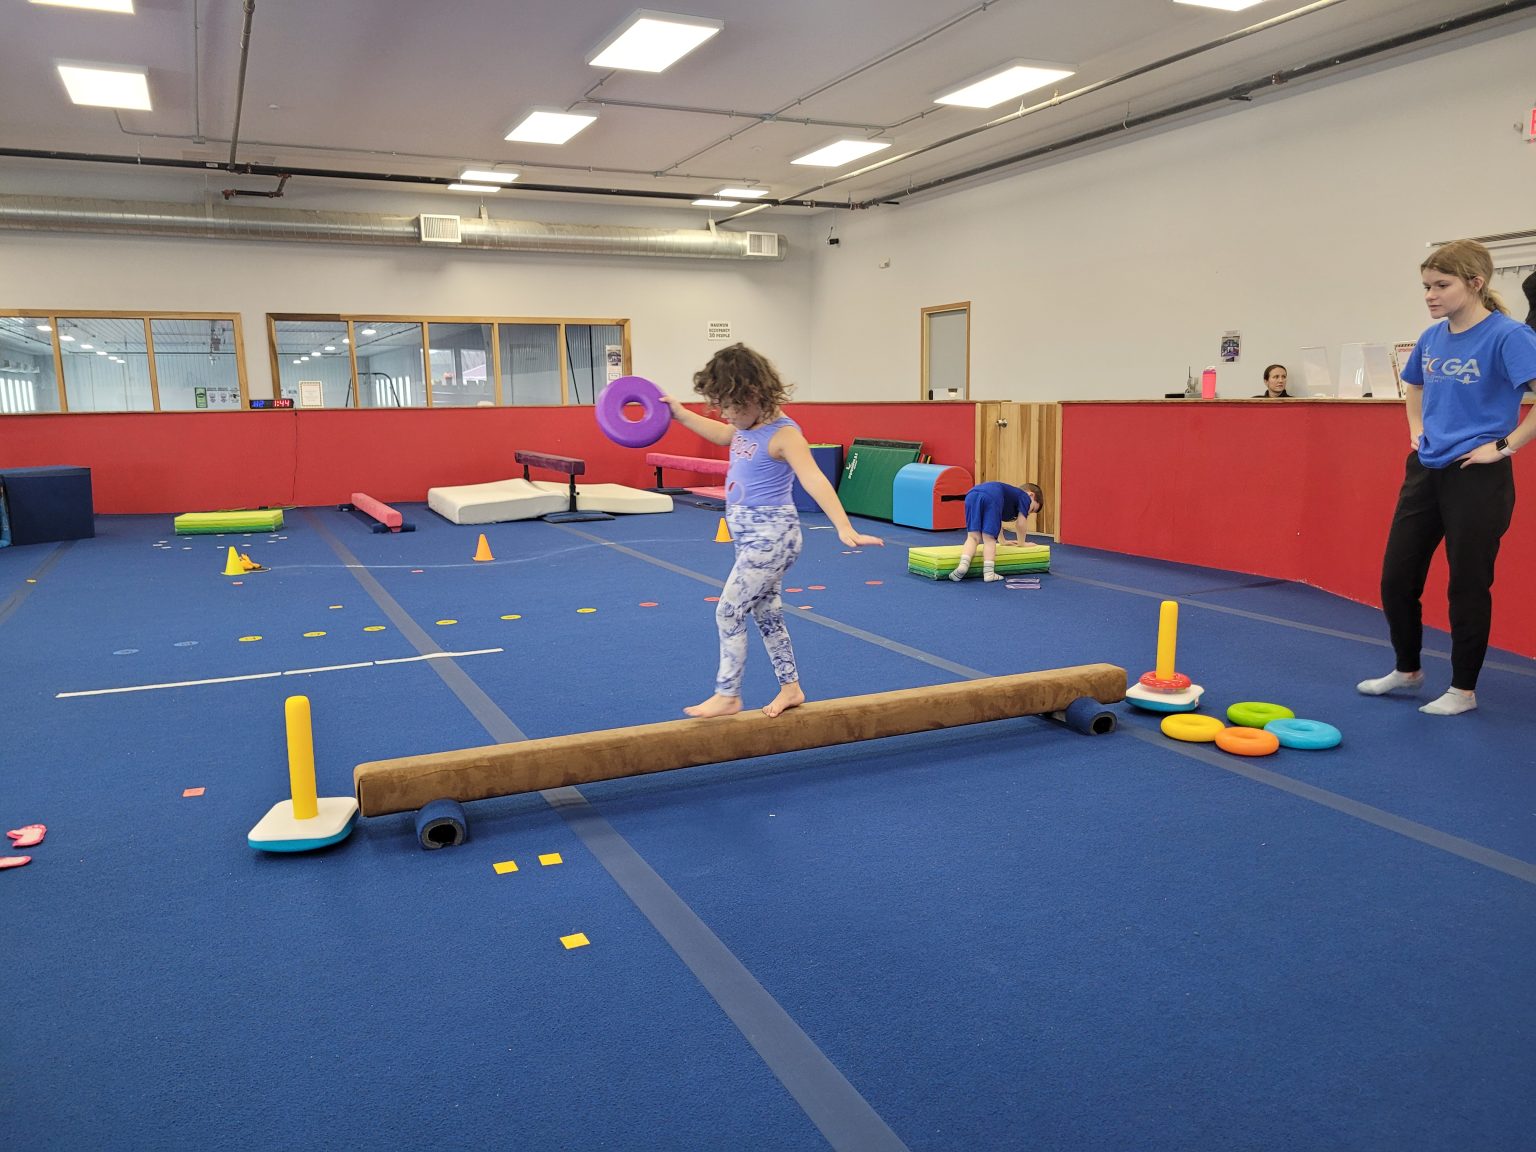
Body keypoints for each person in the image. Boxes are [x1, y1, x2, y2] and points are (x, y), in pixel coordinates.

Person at [1357, 240, 1536, 715]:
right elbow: (1413, 384)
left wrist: (1504, 446)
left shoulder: (1508, 336)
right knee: (1397, 577)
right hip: (1427, 469)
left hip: (1477, 476)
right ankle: (1408, 669)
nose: (1430, 295)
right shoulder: (1432, 337)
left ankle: (1463, 689)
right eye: (1426, 286)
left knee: (1467, 584)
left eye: (1441, 285)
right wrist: (1416, 430)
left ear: (1475, 284)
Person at [660, 344, 884, 719]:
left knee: (728, 612)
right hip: (749, 536)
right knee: (768, 615)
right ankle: (791, 687)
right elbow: (720, 435)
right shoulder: (743, 427)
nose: (727, 416)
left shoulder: (785, 435)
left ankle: (728, 693)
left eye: (731, 407)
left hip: (772, 535)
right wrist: (680, 414)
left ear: (753, 395)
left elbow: (814, 478)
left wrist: (844, 526)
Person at [949, 481, 1044, 582]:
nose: (1028, 512)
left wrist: (1002, 540)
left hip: (972, 494)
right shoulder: (1025, 497)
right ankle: (989, 573)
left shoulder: (1008, 498)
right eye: (1032, 508)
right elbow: (1021, 523)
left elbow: (996, 520)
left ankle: (963, 565)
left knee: (973, 537)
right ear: (1031, 495)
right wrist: (1022, 543)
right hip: (992, 495)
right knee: (989, 539)